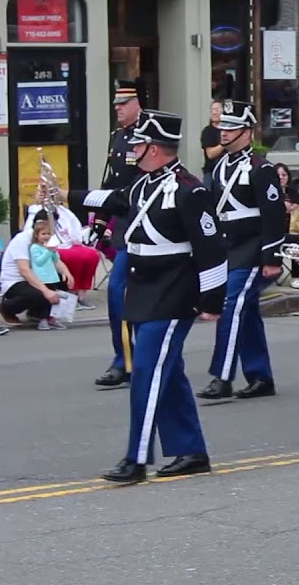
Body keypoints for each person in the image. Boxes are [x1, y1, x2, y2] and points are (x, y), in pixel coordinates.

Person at [66, 109, 224, 483]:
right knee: (169, 374)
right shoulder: (143, 183)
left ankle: (135, 458)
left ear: (154, 148)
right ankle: (190, 449)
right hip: (145, 290)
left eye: (138, 144)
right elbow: (113, 199)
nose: (132, 149)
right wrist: (65, 195)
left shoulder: (189, 190)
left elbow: (212, 249)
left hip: (173, 294)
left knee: (148, 374)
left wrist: (212, 302)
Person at [195, 98, 284, 401]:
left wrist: (271, 256)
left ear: (247, 132)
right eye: (223, 125)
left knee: (230, 306)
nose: (224, 132)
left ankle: (222, 376)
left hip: (252, 247)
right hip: (227, 246)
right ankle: (261, 376)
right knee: (246, 312)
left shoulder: (261, 168)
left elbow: (273, 216)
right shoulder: (220, 165)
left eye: (232, 127)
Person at [85, 80, 145, 388]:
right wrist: (99, 222)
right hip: (123, 228)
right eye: (116, 106)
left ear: (137, 104)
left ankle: (143, 357)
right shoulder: (118, 137)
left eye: (123, 104)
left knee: (144, 297)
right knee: (116, 293)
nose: (118, 110)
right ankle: (123, 359)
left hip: (145, 228)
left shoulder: (149, 133)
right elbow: (111, 185)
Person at [0, 213, 75, 330]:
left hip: (40, 275)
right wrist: (45, 291)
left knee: (62, 280)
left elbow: (56, 259)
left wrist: (67, 273)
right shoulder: (23, 239)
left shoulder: (49, 239)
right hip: (17, 280)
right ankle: (7, 308)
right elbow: (24, 270)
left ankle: (38, 312)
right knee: (37, 294)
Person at [20, 203, 100, 309]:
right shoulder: (33, 232)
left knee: (92, 254)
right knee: (75, 257)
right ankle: (72, 292)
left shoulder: (64, 212)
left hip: (63, 245)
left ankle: (81, 294)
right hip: (45, 267)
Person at [200, 101, 223, 188]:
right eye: (212, 110)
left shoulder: (228, 129)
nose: (214, 112)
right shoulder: (207, 131)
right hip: (211, 171)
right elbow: (210, 154)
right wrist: (224, 144)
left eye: (217, 110)